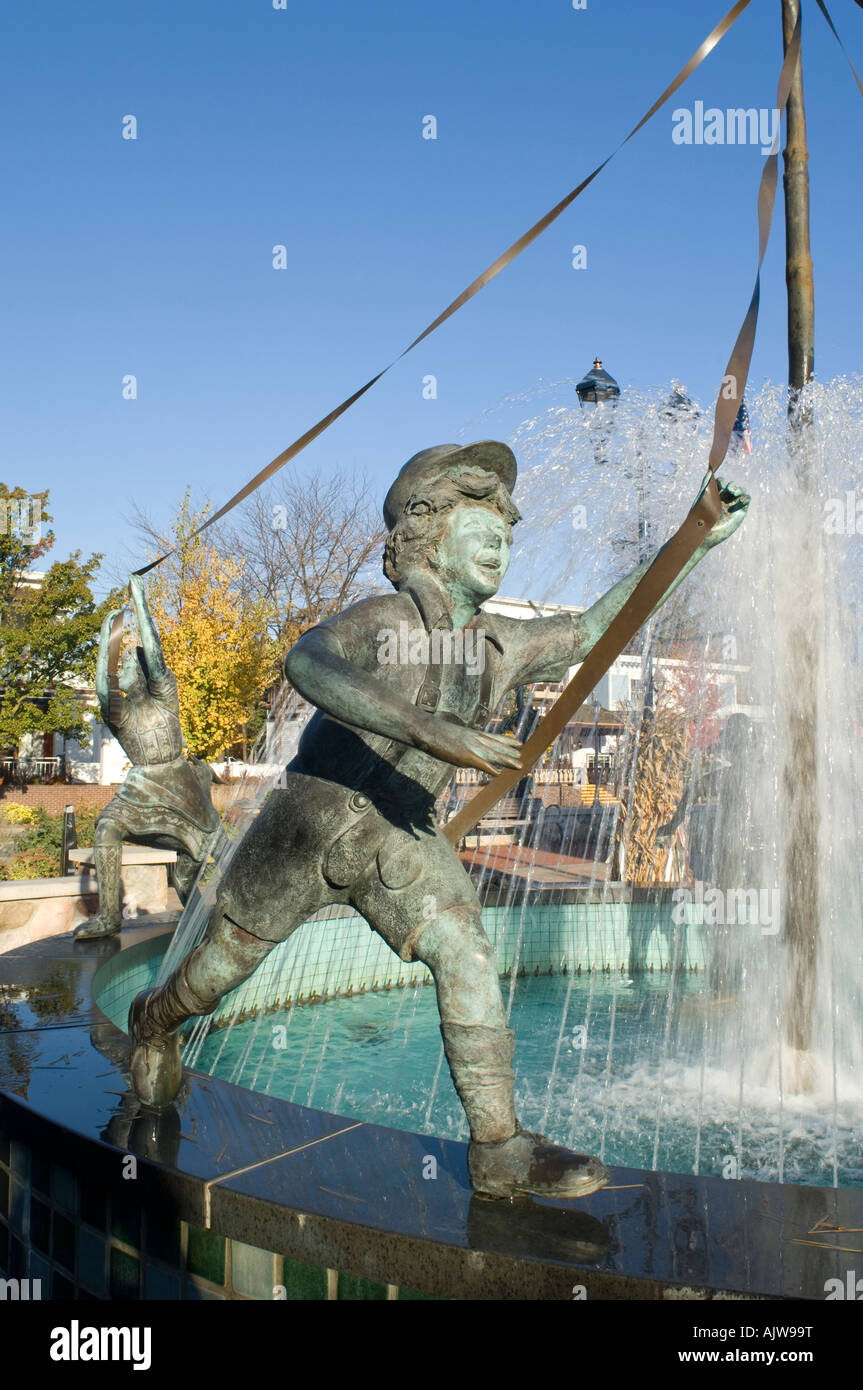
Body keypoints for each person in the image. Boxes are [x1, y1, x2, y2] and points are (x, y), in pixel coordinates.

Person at [129, 440, 749, 1198]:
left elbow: (590, 634)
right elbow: (308, 662)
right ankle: (154, 1021)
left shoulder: (498, 643)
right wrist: (433, 733)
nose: (500, 544)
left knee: (465, 952)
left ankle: (500, 1149)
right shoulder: (388, 619)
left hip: (400, 834)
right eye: (480, 529)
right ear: (426, 539)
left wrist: (690, 539)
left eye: (506, 536)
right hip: (303, 832)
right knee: (216, 975)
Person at [74, 574, 219, 940]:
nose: (119, 671)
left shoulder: (163, 697)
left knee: (186, 875)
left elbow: (155, 658)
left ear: (140, 674)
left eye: (124, 666)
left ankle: (207, 925)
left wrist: (140, 602)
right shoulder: (121, 715)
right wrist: (107, 643)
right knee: (107, 827)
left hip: (180, 787)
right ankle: (109, 917)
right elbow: (103, 691)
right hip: (142, 788)